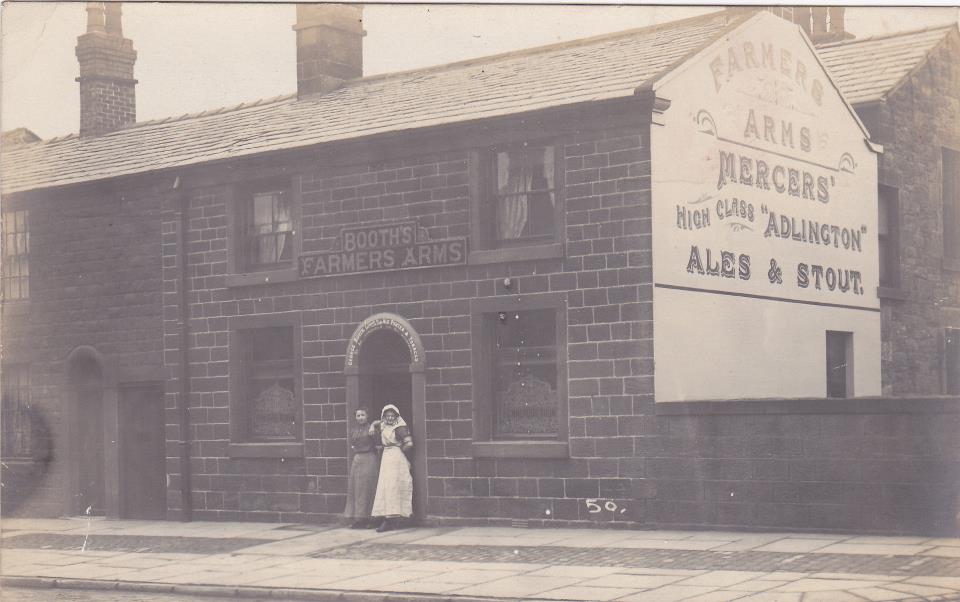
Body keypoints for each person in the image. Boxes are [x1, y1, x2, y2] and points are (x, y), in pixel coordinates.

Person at [369, 403, 414, 532]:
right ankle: (388, 517)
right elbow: (377, 422)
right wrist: (372, 425)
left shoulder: (399, 428)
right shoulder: (383, 425)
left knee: (394, 486)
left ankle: (391, 519)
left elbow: (409, 444)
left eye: (392, 416)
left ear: (396, 416)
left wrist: (400, 450)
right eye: (387, 416)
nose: (389, 418)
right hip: (386, 457)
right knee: (386, 486)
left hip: (396, 457)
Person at [342, 407, 380, 529]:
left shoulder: (372, 428)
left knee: (369, 487)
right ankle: (359, 518)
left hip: (369, 459)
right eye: (358, 416)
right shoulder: (354, 430)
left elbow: (378, 442)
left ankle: (372, 518)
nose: (360, 418)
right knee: (357, 489)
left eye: (363, 415)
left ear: (367, 416)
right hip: (358, 459)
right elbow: (353, 444)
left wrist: (374, 424)